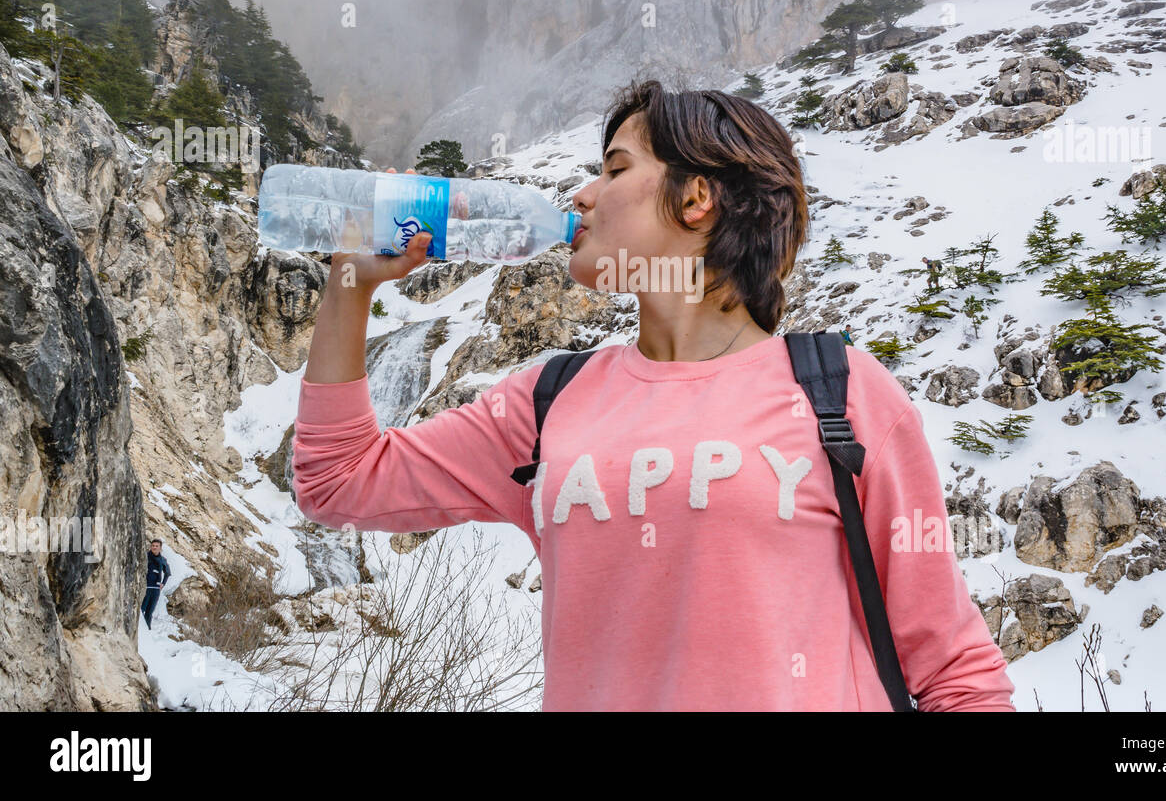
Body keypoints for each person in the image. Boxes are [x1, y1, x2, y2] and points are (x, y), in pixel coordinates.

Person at [292, 78, 1015, 712]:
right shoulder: (549, 401)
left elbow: (956, 675)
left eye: (614, 168)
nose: (580, 197)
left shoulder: (839, 392)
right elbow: (338, 480)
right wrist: (350, 285)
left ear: (697, 198)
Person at [141, 538, 170, 629]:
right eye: (153, 546)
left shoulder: (162, 560)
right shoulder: (146, 556)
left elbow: (168, 573)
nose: (154, 547)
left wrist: (163, 583)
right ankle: (140, 632)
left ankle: (147, 631)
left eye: (156, 546)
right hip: (145, 587)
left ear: (160, 548)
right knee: (141, 610)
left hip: (156, 589)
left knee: (149, 612)